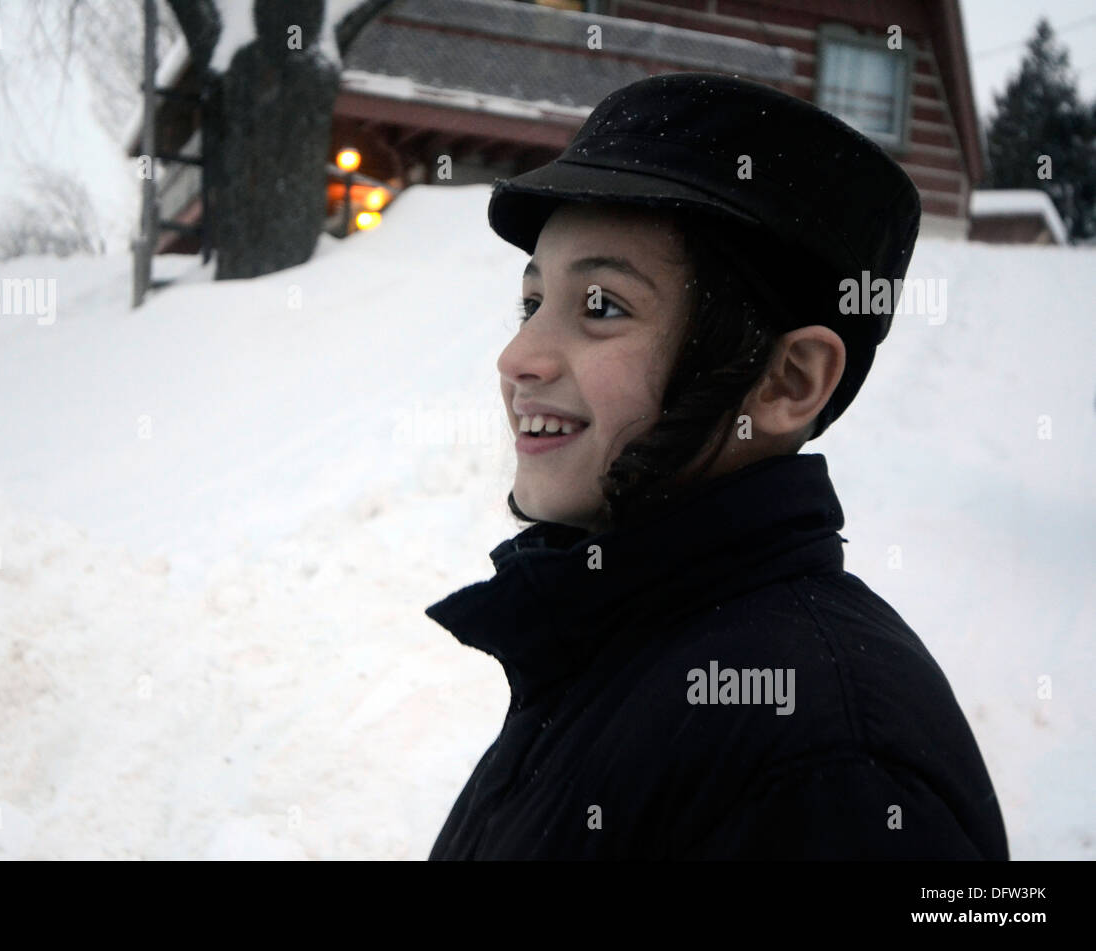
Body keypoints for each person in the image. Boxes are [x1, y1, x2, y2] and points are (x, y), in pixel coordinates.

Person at [424, 73, 1009, 860]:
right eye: (533, 304)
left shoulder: (829, 763)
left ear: (789, 381)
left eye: (601, 305)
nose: (518, 356)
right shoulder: (609, 642)